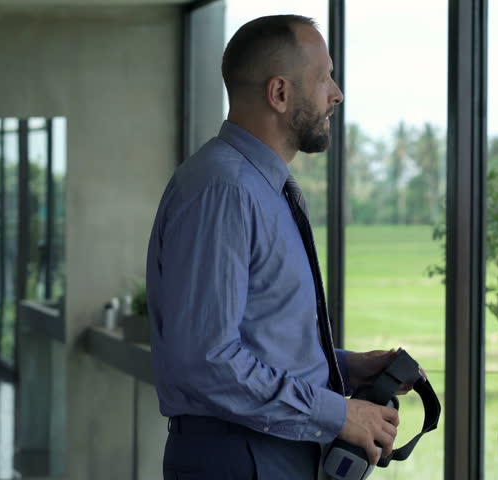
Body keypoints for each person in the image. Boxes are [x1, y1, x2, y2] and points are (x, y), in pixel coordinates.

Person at [146, 14, 420, 480]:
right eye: (324, 79)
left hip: (268, 451)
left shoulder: (261, 188)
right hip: (239, 458)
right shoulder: (224, 189)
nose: (337, 94)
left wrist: (347, 368)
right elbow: (208, 361)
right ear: (279, 94)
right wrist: (340, 414)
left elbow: (256, 342)